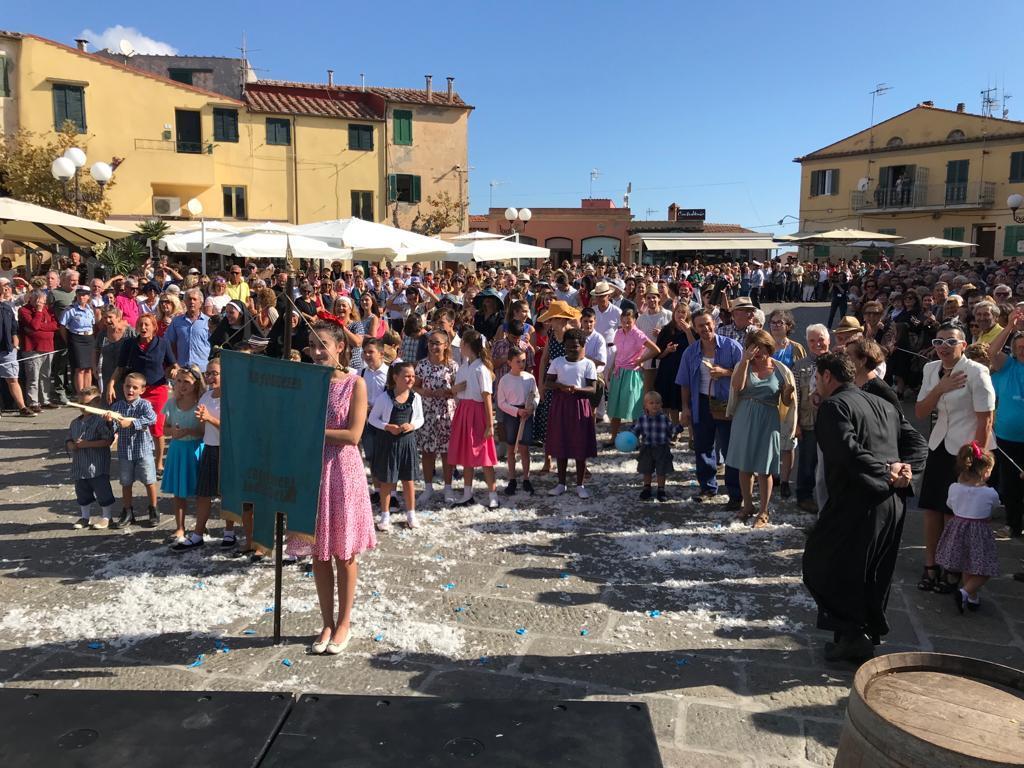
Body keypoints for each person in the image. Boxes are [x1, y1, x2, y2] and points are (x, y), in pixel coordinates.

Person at [803, 352, 928, 662]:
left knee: (822, 564)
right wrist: (905, 469)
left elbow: (846, 450)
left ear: (828, 376)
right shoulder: (884, 403)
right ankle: (852, 637)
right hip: (891, 501)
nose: (816, 383)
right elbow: (918, 444)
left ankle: (854, 634)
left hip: (858, 500)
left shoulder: (834, 406)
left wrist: (890, 471)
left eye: (818, 377)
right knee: (867, 571)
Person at [295, 320, 375, 655]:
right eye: (312, 345)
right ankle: (326, 620)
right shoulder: (306, 383)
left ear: (340, 346)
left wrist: (312, 432)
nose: (316, 351)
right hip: (312, 469)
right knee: (318, 552)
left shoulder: (355, 384)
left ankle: (344, 621)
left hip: (343, 471)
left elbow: (353, 435)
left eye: (323, 344)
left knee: (344, 553)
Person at [914, 324, 995, 594]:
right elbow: (921, 412)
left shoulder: (977, 371)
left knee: (954, 513)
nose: (944, 347)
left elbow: (986, 418)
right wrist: (940, 388)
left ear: (963, 344)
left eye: (951, 342)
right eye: (939, 341)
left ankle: (952, 567)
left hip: (966, 449)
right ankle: (931, 564)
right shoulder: (931, 369)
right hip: (939, 444)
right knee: (931, 508)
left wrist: (978, 460)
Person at [726, 330, 796, 528]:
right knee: (744, 465)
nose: (757, 352)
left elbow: (786, 401)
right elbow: (736, 387)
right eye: (753, 347)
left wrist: (788, 393)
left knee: (765, 468)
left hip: (768, 418)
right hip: (744, 417)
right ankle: (747, 506)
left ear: (769, 347)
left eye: (761, 347)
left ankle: (764, 511)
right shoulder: (744, 366)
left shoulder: (781, 370)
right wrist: (744, 360)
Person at [677, 310, 743, 508]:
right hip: (702, 403)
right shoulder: (690, 352)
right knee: (703, 447)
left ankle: (735, 493)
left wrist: (725, 372)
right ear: (694, 329)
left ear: (714, 323)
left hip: (726, 403)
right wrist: (685, 408)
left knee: (730, 448)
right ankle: (707, 487)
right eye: (700, 326)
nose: (705, 329)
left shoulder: (732, 347)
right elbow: (685, 383)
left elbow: (746, 375)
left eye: (707, 324)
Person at [935, 443, 1001, 613]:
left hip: (957, 528)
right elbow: (993, 507)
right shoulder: (990, 493)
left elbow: (950, 504)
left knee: (967, 564)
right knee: (985, 568)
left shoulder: (954, 488)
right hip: (979, 533)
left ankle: (971, 597)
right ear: (986, 472)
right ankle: (964, 591)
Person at [369, 361, 424, 531]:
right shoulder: (384, 398)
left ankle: (411, 514)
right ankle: (385, 516)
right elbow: (372, 419)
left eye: (413, 376)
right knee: (386, 481)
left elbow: (420, 418)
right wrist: (387, 426)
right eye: (407, 376)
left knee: (408, 480)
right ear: (395, 377)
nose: (410, 379)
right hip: (388, 444)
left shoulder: (416, 397)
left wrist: (412, 425)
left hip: (407, 443)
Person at [448, 329, 499, 509]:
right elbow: (458, 390)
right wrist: (456, 389)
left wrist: (489, 424)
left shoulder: (481, 369)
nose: (459, 346)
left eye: (462, 343)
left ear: (468, 346)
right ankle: (467, 493)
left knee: (484, 455)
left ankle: (493, 494)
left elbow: (487, 397)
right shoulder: (465, 366)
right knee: (467, 454)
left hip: (478, 413)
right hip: (464, 410)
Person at [545, 327, 598, 498]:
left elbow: (593, 389)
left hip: (580, 406)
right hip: (560, 405)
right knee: (561, 444)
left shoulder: (588, 364)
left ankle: (580, 484)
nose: (571, 349)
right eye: (568, 346)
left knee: (579, 445)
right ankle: (561, 483)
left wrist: (578, 389)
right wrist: (561, 386)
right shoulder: (557, 362)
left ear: (582, 345)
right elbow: (548, 383)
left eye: (575, 346)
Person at [105, 372, 159, 529]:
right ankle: (127, 511)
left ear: (142, 390)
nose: (130, 390)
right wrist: (109, 422)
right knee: (126, 482)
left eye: (135, 387)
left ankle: (154, 509)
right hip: (124, 451)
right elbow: (114, 428)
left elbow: (152, 419)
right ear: (122, 387)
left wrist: (131, 423)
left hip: (143, 450)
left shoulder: (144, 405)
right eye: (128, 386)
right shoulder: (117, 406)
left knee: (149, 480)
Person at [988, 309, 1024, 538]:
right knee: (1010, 486)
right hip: (1007, 438)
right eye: (1019, 345)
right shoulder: (1007, 366)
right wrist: (1010, 327)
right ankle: (1013, 524)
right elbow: (991, 351)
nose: (1022, 347)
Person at [161, 365, 205, 545]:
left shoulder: (201, 403)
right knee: (179, 492)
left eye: (186, 381)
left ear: (196, 383)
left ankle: (201, 525)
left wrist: (190, 431)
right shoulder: (171, 403)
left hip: (195, 450)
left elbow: (204, 431)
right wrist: (173, 432)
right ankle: (179, 527)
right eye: (178, 381)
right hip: (177, 450)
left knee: (200, 491)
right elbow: (164, 428)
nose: (181, 385)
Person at [414, 330, 458, 505]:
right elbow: (415, 387)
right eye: (431, 342)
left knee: (447, 452)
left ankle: (448, 487)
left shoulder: (452, 366)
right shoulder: (422, 365)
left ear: (446, 345)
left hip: (447, 414)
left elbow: (459, 388)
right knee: (427, 451)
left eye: (437, 343)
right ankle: (428, 487)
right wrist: (424, 392)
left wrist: (447, 392)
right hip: (427, 413)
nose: (433, 346)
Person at [606, 308, 660, 446]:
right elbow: (618, 352)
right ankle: (613, 437)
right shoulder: (618, 333)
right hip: (618, 372)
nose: (626, 325)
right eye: (623, 322)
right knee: (615, 406)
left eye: (629, 322)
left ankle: (637, 439)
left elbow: (656, 350)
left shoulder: (638, 334)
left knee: (634, 408)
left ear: (634, 320)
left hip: (632, 373)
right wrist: (612, 367)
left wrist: (640, 360)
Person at [65, 386, 116, 529]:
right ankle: (85, 517)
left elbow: (107, 440)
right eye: (81, 403)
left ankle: (107, 516)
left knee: (102, 491)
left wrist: (88, 444)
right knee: (82, 492)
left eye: (88, 404)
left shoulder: (100, 420)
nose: (84, 407)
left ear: (97, 403)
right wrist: (70, 445)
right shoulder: (75, 422)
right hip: (80, 465)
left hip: (97, 465)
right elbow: (69, 438)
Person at [497, 347, 539, 495]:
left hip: (526, 414)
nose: (521, 364)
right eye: (518, 361)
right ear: (509, 362)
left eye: (523, 361)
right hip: (512, 415)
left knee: (524, 449)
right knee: (511, 448)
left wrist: (532, 407)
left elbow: (536, 395)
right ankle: (512, 479)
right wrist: (516, 411)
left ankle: (526, 478)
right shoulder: (504, 380)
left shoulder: (529, 378)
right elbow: (501, 402)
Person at [18, 289, 59, 411]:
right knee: (33, 377)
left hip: (48, 347)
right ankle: (33, 402)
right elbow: (34, 325)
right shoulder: (24, 310)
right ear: (33, 300)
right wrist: (39, 312)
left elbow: (55, 325)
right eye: (40, 301)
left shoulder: (48, 310)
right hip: (33, 349)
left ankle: (45, 400)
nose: (42, 304)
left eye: (43, 301)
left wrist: (40, 328)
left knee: (45, 375)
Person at [631, 391, 676, 502]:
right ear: (645, 405)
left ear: (661, 405)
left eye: (657, 403)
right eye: (651, 403)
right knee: (647, 469)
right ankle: (647, 487)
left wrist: (680, 427)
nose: (654, 405)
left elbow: (672, 430)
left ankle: (661, 489)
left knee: (661, 470)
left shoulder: (664, 419)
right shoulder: (642, 419)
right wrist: (629, 438)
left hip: (662, 448)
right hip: (646, 448)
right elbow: (634, 431)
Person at [654, 304, 694, 427]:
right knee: (670, 401)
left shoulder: (692, 330)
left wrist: (688, 331)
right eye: (678, 312)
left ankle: (687, 430)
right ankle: (674, 428)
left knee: (685, 402)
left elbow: (696, 349)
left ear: (687, 315)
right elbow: (658, 355)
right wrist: (667, 350)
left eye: (683, 312)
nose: (680, 314)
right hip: (668, 371)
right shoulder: (666, 330)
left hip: (686, 371)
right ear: (673, 313)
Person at [60, 285, 97, 396]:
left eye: (85, 295)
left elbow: (93, 325)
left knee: (89, 368)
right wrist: (68, 340)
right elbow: (62, 327)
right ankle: (81, 393)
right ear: (76, 295)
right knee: (80, 368)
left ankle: (88, 392)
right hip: (76, 338)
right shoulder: (70, 309)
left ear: (88, 296)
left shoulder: (90, 309)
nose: (82, 297)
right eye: (80, 294)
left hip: (89, 338)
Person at [848, 339, 902, 414]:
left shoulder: (882, 390)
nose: (844, 358)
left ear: (863, 361)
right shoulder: (848, 384)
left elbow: (899, 421)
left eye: (848, 355)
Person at [167, 289, 211, 372]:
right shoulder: (176, 321)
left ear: (201, 302)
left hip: (203, 369)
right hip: (182, 369)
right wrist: (174, 364)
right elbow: (170, 343)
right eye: (189, 299)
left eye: (195, 299)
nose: (192, 302)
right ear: (185, 302)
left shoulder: (208, 322)